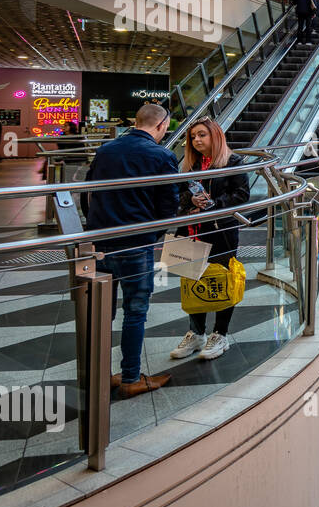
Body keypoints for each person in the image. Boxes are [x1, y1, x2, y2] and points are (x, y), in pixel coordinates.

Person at [84, 104, 179, 398]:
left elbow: (88, 192)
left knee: (102, 312)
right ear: (162, 125)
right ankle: (130, 377)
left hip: (101, 242)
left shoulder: (106, 150)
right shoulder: (162, 156)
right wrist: (153, 234)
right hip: (136, 243)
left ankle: (99, 374)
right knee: (135, 311)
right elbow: (169, 206)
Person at [170, 117, 253, 358]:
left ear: (215, 136)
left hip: (220, 233)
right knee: (191, 282)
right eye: (193, 136)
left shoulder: (232, 161)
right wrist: (190, 201)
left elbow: (241, 194)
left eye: (201, 135)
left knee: (221, 282)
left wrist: (215, 204)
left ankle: (220, 335)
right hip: (190, 231)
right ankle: (196, 334)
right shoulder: (189, 164)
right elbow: (178, 193)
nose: (196, 140)